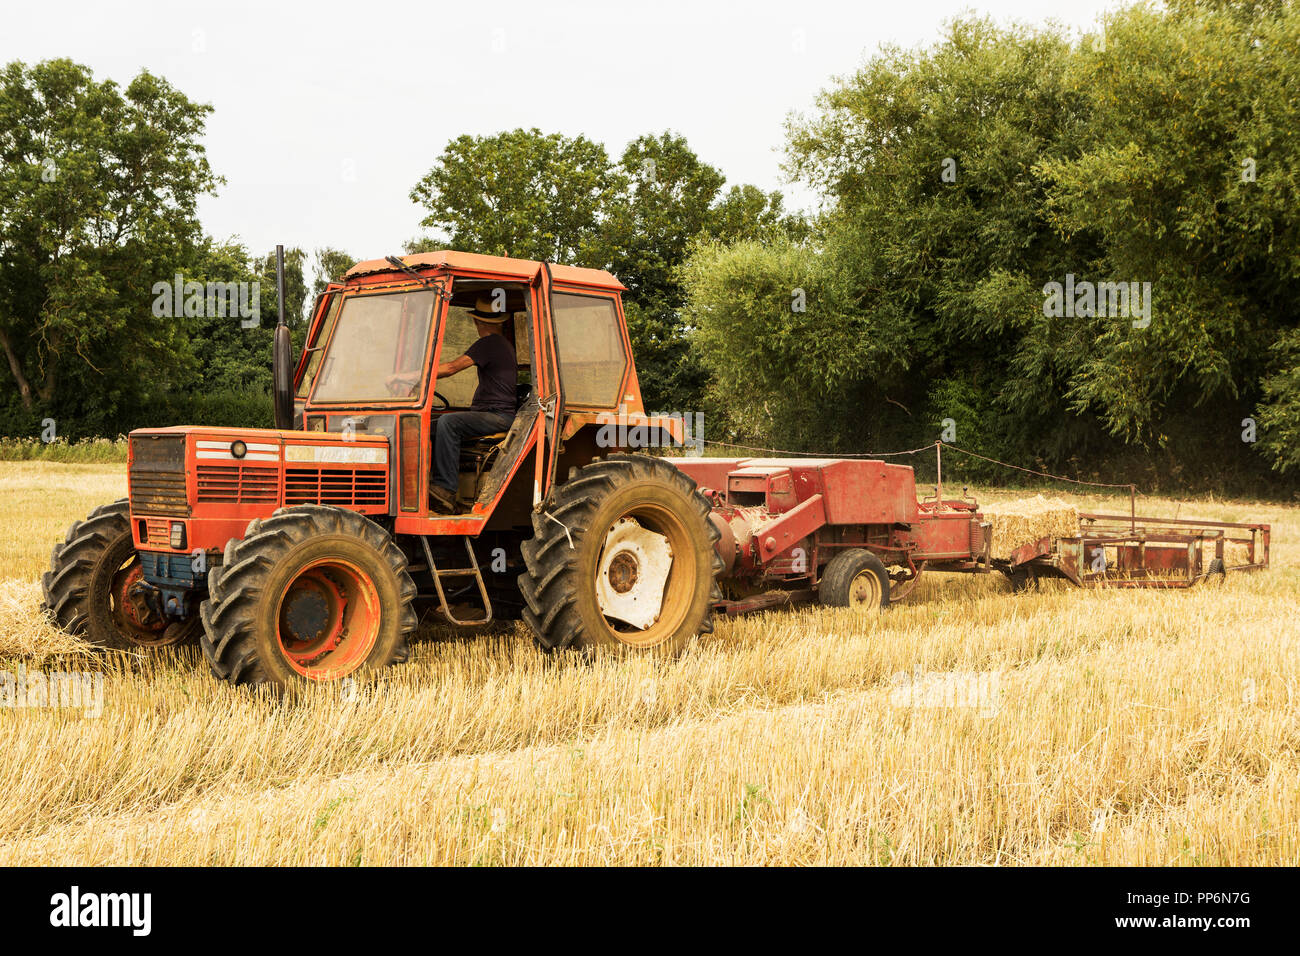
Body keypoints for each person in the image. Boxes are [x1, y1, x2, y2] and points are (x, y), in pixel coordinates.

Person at [425, 293, 517, 513]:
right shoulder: (500, 343)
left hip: (499, 416)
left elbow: (451, 368)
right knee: (429, 424)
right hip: (493, 412)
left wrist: (416, 376)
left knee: (448, 423)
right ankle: (427, 482)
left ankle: (445, 489)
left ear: (477, 321)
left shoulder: (490, 343)